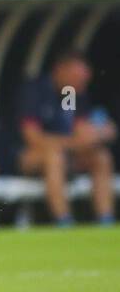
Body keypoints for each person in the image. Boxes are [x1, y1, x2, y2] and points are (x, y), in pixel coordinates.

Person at [14, 50, 116, 226]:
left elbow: (76, 130)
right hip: (25, 156)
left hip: (65, 153)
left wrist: (100, 132)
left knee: (101, 157)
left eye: (84, 80)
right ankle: (64, 221)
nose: (81, 84)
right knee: (54, 156)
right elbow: (33, 138)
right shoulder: (36, 91)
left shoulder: (70, 94)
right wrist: (74, 143)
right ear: (60, 70)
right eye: (77, 78)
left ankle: (106, 220)